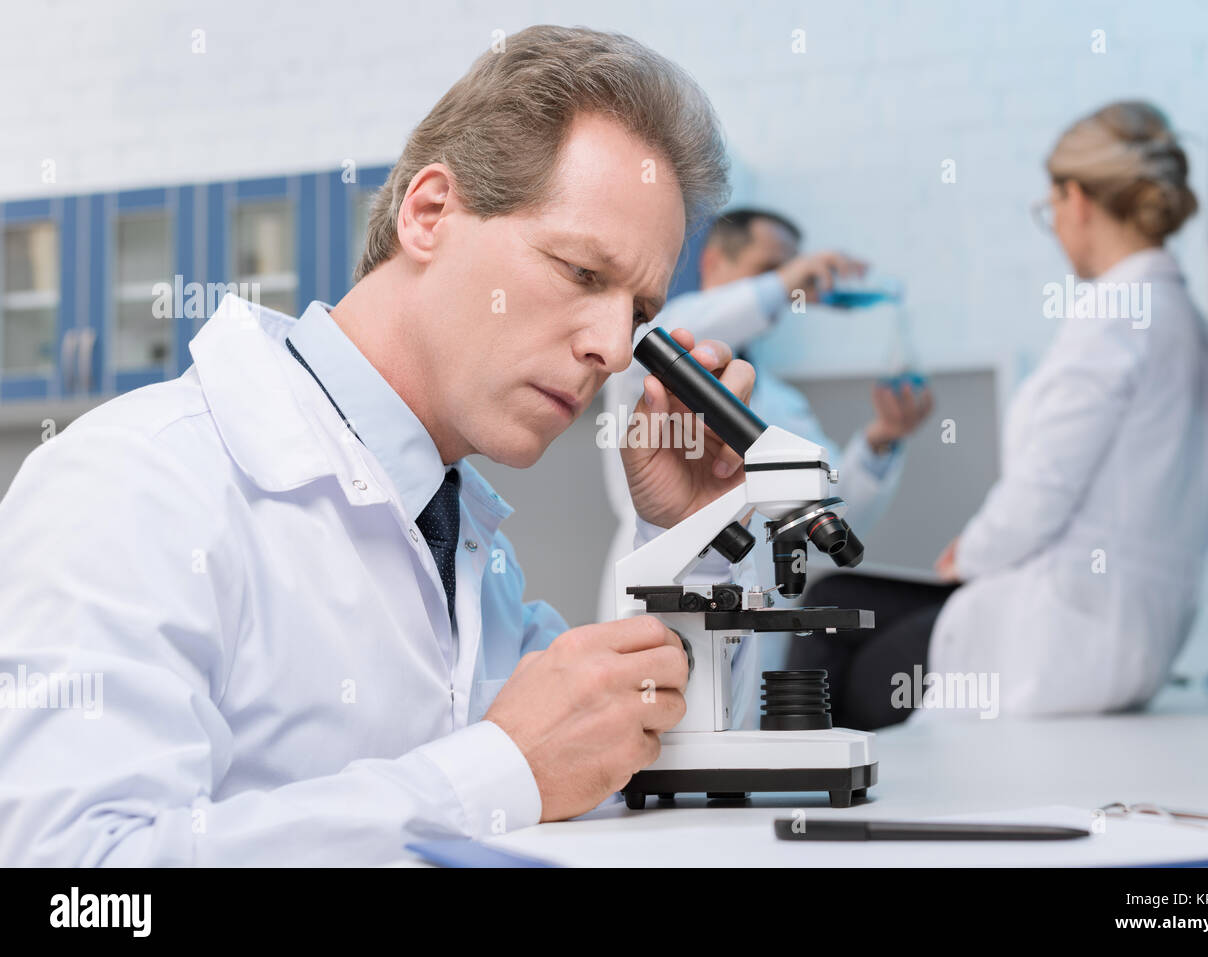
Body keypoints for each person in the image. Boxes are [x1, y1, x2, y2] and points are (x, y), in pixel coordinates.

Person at [0, 26, 758, 866]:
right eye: (582, 273)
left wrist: (692, 541)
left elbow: (637, 762)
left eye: (640, 313)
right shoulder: (135, 482)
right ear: (430, 213)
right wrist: (495, 771)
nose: (614, 349)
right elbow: (75, 878)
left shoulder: (458, 537)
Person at [790, 101, 1208, 728]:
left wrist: (970, 554)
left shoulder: (1114, 319)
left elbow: (1043, 492)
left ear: (1076, 199)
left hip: (1062, 635)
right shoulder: (1188, 323)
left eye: (1051, 210)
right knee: (834, 601)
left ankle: (801, 799)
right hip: (1133, 631)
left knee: (844, 657)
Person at [598, 209, 933, 634]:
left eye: (792, 268)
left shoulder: (780, 399)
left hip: (752, 599)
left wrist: (884, 437)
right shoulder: (656, 347)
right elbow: (656, 337)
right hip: (661, 579)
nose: (791, 282)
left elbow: (825, 504)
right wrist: (783, 284)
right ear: (714, 261)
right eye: (771, 268)